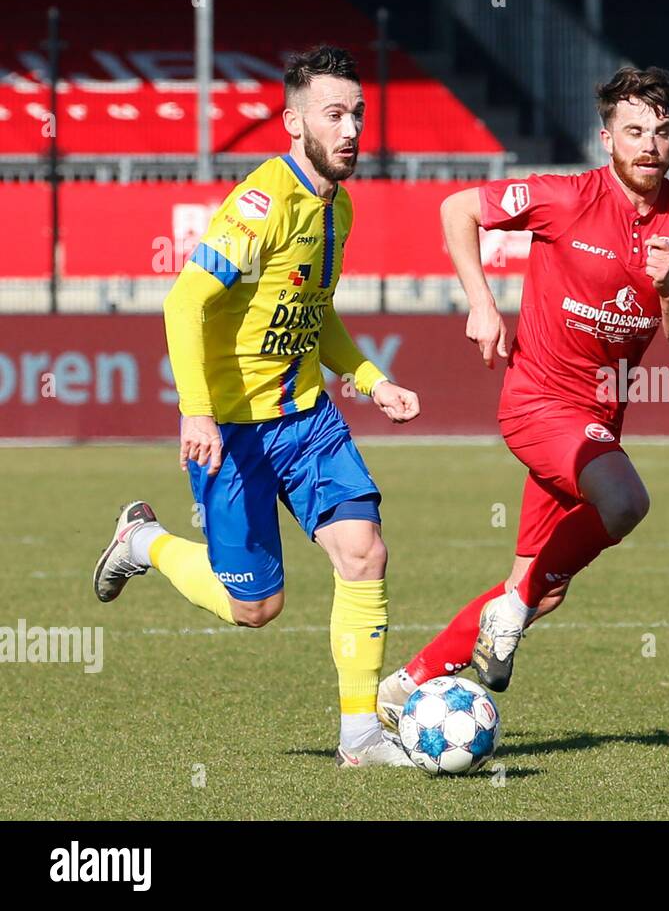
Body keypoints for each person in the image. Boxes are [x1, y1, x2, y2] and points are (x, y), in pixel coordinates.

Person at [91, 45, 422, 765]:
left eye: (357, 114)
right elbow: (184, 301)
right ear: (293, 122)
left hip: (307, 422)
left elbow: (317, 313)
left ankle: (361, 738)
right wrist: (196, 409)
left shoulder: (341, 211)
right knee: (256, 610)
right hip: (232, 433)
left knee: (364, 553)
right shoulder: (260, 205)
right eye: (333, 114)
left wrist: (371, 379)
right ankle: (142, 543)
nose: (351, 130)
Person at [377, 66, 669, 723]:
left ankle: (405, 685)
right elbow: (459, 209)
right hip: (536, 403)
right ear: (607, 138)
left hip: (598, 421)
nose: (649, 144)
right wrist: (481, 304)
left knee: (538, 589)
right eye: (634, 130)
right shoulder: (565, 197)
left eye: (663, 131)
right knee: (624, 502)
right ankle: (505, 615)